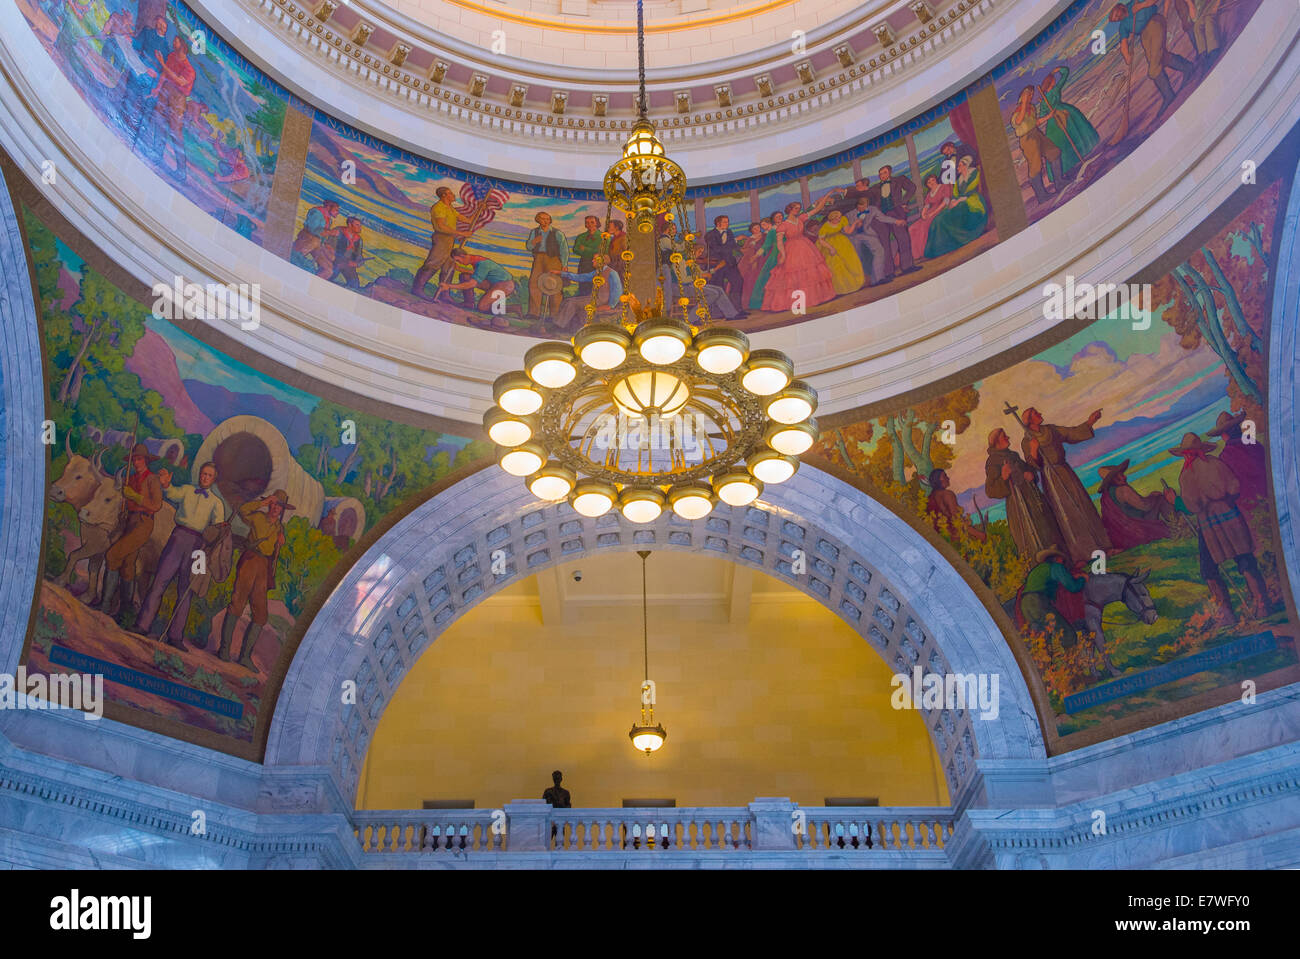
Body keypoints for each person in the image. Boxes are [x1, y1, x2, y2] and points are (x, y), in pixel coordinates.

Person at [1169, 432, 1270, 623]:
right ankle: (1262, 603)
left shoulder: (1187, 475)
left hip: (1209, 525)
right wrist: (1225, 502)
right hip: (1231, 516)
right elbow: (1234, 487)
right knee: (1244, 559)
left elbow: (1193, 506)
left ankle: (1226, 613)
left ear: (1187, 454)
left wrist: (1175, 501)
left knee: (1208, 568)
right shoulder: (1216, 463)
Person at [135, 461, 227, 649]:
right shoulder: (186, 490)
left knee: (187, 590)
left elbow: (217, 530)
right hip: (178, 538)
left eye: (209, 475)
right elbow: (171, 493)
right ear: (199, 474)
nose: (205, 477)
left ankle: (175, 636)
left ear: (214, 479)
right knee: (159, 581)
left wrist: (219, 532)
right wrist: (166, 484)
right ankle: (142, 625)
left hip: (200, 547)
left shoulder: (217, 503)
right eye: (203, 473)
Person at [1020, 406, 1112, 567]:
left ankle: (1104, 547)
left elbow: (1071, 433)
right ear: (1029, 420)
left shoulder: (1051, 430)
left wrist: (1090, 421)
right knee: (1067, 515)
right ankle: (1081, 556)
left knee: (1084, 506)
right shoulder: (1027, 440)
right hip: (1051, 477)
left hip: (1065, 472)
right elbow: (1033, 465)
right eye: (1036, 413)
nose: (1040, 413)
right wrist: (1034, 450)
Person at [218, 490, 294, 671]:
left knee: (260, 615)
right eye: (274, 504)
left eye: (279, 506)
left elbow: (275, 553)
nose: (276, 508)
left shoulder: (279, 528)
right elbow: (243, 510)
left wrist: (280, 542)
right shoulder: (258, 517)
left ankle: (245, 657)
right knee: (237, 603)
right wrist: (262, 502)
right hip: (250, 561)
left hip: (264, 567)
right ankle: (224, 650)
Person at [96, 443, 163, 627]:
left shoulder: (152, 480)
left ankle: (105, 605)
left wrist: (134, 496)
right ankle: (125, 612)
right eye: (134, 459)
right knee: (127, 565)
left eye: (139, 458)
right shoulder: (130, 478)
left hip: (143, 522)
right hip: (129, 520)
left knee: (112, 555)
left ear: (146, 461)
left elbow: (156, 505)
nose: (136, 462)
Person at [1109, 1, 1196, 118]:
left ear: (1119, 7)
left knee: (1154, 67)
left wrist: (1140, 6)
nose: (1117, 18)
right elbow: (1123, 43)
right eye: (1115, 19)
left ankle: (1168, 95)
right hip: (1144, 35)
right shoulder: (1123, 25)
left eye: (1116, 15)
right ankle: (1187, 67)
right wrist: (1127, 56)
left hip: (1155, 22)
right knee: (1162, 57)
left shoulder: (1134, 3)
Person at [984, 427, 1062, 557]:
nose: (1008, 437)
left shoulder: (1013, 455)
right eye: (1004, 436)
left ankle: (1060, 560)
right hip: (1018, 503)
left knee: (1047, 526)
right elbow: (990, 490)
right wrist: (1003, 476)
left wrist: (1030, 473)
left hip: (1032, 496)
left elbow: (1029, 470)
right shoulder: (992, 462)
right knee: (1029, 534)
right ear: (997, 442)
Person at [762, 198, 837, 312]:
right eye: (796, 208)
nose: (798, 210)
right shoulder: (783, 225)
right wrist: (782, 255)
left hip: (805, 246)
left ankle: (814, 298)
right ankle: (795, 302)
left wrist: (828, 195)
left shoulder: (801, 218)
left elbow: (817, 209)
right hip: (791, 249)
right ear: (790, 210)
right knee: (793, 275)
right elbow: (779, 242)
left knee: (810, 273)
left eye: (799, 208)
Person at [144, 35, 196, 182]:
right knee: (158, 121)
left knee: (175, 133)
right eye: (174, 40)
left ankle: (181, 171)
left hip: (178, 99)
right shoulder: (172, 56)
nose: (174, 42)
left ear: (183, 46)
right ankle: (157, 154)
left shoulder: (190, 70)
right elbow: (165, 73)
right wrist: (157, 88)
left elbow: (179, 80)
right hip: (165, 91)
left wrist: (162, 63)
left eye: (177, 41)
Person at [412, 186, 475, 299]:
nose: (453, 195)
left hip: (450, 240)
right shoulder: (439, 208)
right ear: (444, 196)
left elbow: (466, 219)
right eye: (450, 193)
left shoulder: (449, 208)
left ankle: (444, 294)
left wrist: (479, 209)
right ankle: (417, 289)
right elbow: (441, 226)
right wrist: (461, 233)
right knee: (433, 263)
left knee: (449, 266)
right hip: (442, 239)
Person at [1036, 66, 1100, 177]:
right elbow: (1065, 74)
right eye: (1053, 79)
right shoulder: (1055, 90)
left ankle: (1071, 166)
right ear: (1051, 82)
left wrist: (1045, 106)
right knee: (1069, 138)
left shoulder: (1043, 102)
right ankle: (1079, 161)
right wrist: (1059, 69)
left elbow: (1041, 116)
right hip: (1064, 113)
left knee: (1063, 142)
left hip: (1053, 122)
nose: (1055, 81)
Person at [1097, 460, 1174, 551]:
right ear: (1114, 479)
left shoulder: (1107, 495)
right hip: (1137, 528)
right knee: (1160, 498)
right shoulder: (1123, 490)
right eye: (1120, 475)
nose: (1125, 477)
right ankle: (1177, 523)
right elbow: (1145, 506)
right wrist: (1153, 496)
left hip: (1123, 532)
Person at [1015, 546, 1088, 641]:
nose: (1063, 563)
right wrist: (1083, 578)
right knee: (1067, 634)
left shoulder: (1040, 569)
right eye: (1062, 559)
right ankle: (1073, 653)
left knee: (1042, 637)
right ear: (1058, 558)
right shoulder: (1057, 566)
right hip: (1038, 602)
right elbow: (1073, 587)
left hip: (1025, 605)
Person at [923, 156, 988, 258]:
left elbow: (971, 190)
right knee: (938, 219)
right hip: (959, 202)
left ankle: (961, 237)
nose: (958, 167)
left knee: (946, 217)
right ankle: (938, 248)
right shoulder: (959, 179)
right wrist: (953, 200)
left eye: (960, 165)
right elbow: (955, 193)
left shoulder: (974, 173)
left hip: (971, 200)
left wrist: (958, 200)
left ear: (965, 166)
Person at [1011, 86, 1063, 204]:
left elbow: (1036, 122)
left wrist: (1049, 116)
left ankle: (1059, 182)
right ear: (1022, 97)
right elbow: (1019, 121)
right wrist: (1024, 103)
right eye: (1028, 94)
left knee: (1054, 152)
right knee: (1036, 165)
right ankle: (1041, 196)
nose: (1030, 96)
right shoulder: (1017, 112)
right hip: (1027, 138)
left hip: (1036, 133)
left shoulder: (1032, 108)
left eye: (1031, 94)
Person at [1205, 410, 1268, 507]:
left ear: (1224, 434)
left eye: (1221, 434)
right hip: (1268, 488)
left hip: (1250, 500)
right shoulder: (1251, 441)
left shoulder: (1226, 454)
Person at [866, 165, 917, 276]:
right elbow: (867, 201)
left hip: (896, 213)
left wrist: (904, 202)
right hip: (881, 217)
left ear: (889, 172)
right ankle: (889, 272)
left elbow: (912, 188)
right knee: (884, 243)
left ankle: (907, 267)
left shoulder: (899, 180)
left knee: (903, 238)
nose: (882, 176)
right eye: (880, 174)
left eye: (884, 173)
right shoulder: (874, 188)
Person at [554, 254, 622, 331]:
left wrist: (611, 305)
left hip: (602, 300)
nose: (592, 261)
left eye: (594, 259)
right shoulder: (596, 272)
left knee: (572, 302)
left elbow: (617, 290)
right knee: (568, 300)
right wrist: (562, 273)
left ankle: (559, 327)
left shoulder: (612, 273)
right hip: (594, 298)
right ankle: (564, 325)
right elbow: (581, 277)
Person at [438, 249, 516, 316]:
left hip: (505, 285)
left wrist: (448, 286)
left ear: (463, 256)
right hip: (492, 282)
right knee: (465, 276)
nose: (458, 262)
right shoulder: (475, 259)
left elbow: (471, 284)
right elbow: (476, 273)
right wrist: (459, 269)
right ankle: (469, 303)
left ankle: (513, 308)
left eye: (458, 260)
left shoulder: (482, 264)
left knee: (482, 307)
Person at [846, 197, 901, 284]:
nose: (862, 209)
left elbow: (883, 218)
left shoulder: (873, 210)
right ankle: (860, 281)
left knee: (880, 251)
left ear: (867, 205)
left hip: (867, 234)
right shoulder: (849, 215)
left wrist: (896, 221)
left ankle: (879, 279)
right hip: (854, 236)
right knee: (857, 257)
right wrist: (855, 225)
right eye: (860, 208)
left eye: (864, 207)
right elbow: (846, 230)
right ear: (857, 206)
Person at [526, 212, 569, 319]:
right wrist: (534, 242)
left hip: (554, 260)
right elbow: (528, 246)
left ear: (550, 221)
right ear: (538, 220)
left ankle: (554, 315)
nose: (545, 221)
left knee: (555, 285)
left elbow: (564, 250)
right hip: (538, 259)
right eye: (542, 219)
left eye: (547, 219)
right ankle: (534, 313)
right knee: (534, 283)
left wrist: (564, 265)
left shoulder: (557, 233)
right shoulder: (534, 232)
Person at [926, 468, 986, 541]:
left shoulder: (930, 498)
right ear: (938, 481)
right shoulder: (948, 494)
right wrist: (979, 535)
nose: (948, 478)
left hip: (939, 538)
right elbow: (957, 520)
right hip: (954, 537)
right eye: (945, 476)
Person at [815, 209, 864, 295]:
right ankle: (840, 288)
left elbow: (848, 231)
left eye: (839, 217)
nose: (839, 219)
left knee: (849, 262)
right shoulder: (825, 226)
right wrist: (831, 248)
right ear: (832, 218)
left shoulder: (842, 220)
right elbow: (821, 240)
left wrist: (855, 223)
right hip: (829, 244)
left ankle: (852, 284)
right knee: (836, 266)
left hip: (842, 242)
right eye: (837, 218)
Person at [704, 215, 744, 306]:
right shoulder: (710, 235)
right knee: (718, 287)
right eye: (725, 222)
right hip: (717, 265)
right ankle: (720, 312)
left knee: (738, 282)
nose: (727, 224)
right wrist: (735, 240)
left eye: (728, 221)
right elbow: (717, 249)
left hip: (730, 263)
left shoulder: (729, 232)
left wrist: (741, 248)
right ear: (718, 223)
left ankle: (737, 308)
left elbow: (733, 246)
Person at [910, 174, 949, 261]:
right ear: (927, 185)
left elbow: (945, 202)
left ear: (936, 180)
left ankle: (923, 252)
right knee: (912, 228)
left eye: (932, 180)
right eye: (928, 182)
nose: (931, 183)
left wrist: (933, 213)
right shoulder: (929, 194)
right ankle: (915, 254)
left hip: (940, 210)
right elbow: (927, 206)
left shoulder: (943, 187)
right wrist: (923, 214)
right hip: (930, 212)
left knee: (923, 227)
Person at [329, 217, 367, 290]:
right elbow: (328, 246)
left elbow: (359, 256)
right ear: (349, 224)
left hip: (348, 264)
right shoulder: (339, 231)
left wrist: (357, 263)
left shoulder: (358, 240)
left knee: (355, 284)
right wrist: (337, 259)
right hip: (334, 260)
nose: (360, 227)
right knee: (329, 275)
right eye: (357, 225)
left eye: (360, 225)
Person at [736, 221, 768, 306]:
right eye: (755, 228)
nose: (757, 229)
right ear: (751, 230)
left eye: (758, 227)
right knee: (748, 278)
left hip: (762, 258)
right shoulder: (750, 238)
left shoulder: (765, 235)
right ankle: (748, 301)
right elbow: (743, 250)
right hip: (749, 259)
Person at [571, 216, 603, 295]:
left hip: (596, 264)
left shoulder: (603, 236)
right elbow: (576, 249)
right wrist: (593, 250)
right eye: (587, 222)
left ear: (597, 223)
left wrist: (585, 249)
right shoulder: (581, 236)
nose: (589, 224)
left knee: (596, 287)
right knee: (583, 285)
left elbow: (602, 251)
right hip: (583, 264)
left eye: (592, 222)